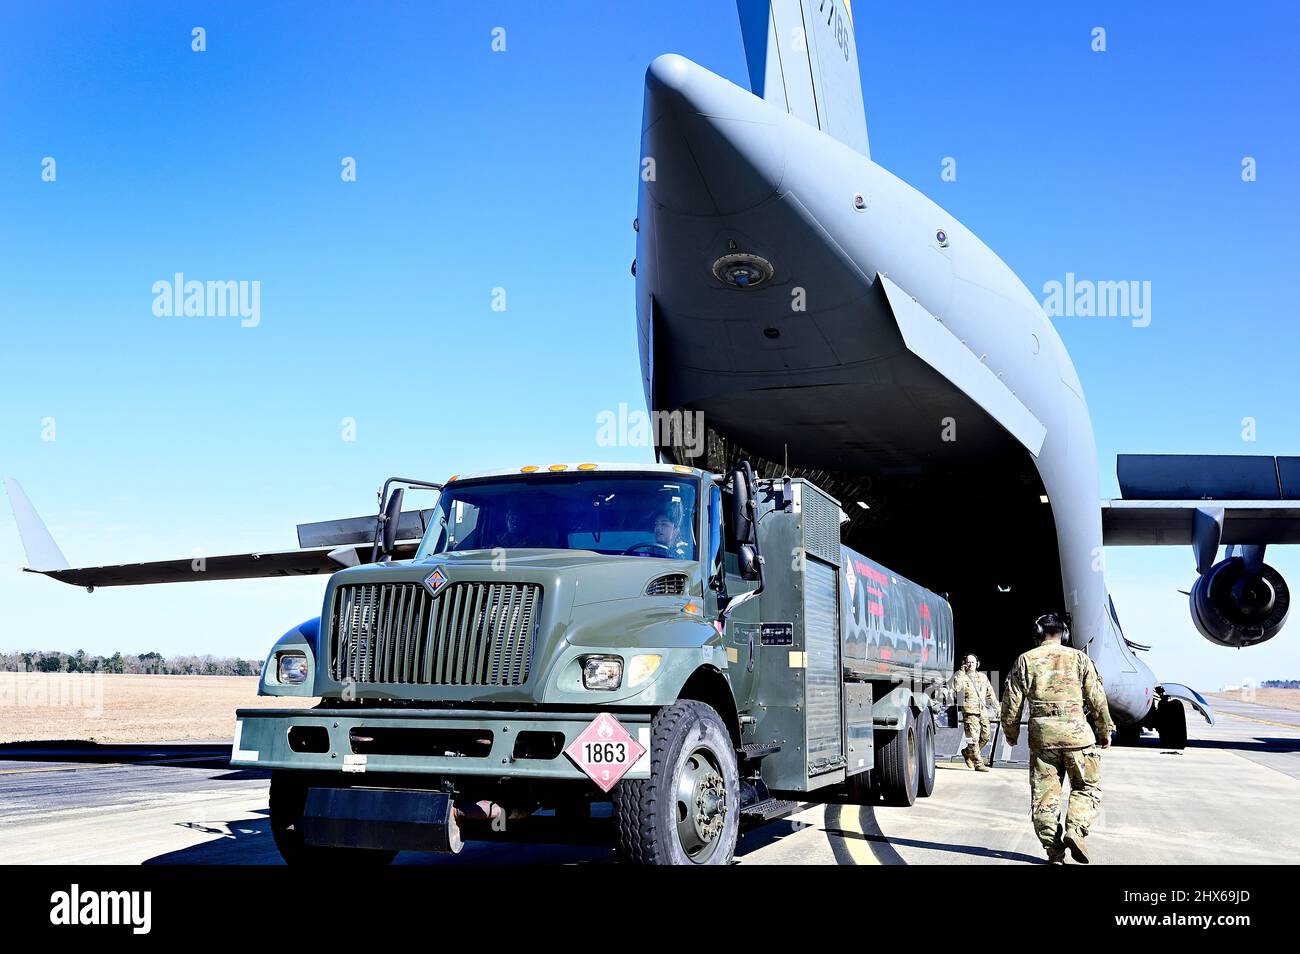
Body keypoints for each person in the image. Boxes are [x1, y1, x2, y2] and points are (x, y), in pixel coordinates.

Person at [1000, 612, 1114, 865]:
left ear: (1038, 633)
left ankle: (1055, 853)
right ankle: (1076, 830)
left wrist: (1011, 733)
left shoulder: (1025, 660)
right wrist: (1105, 730)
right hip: (1078, 738)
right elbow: (1097, 698)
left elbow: (1011, 702)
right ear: (1064, 634)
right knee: (1086, 788)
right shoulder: (1080, 659)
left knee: (1044, 799)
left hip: (1043, 741)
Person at [952, 654, 998, 771]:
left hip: (982, 711)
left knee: (986, 736)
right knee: (973, 739)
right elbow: (956, 688)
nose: (971, 664)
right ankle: (978, 763)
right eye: (968, 662)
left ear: (977, 664)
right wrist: (961, 672)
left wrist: (997, 708)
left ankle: (968, 752)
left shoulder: (982, 677)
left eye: (973, 662)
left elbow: (990, 693)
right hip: (969, 711)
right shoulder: (961, 676)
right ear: (965, 663)